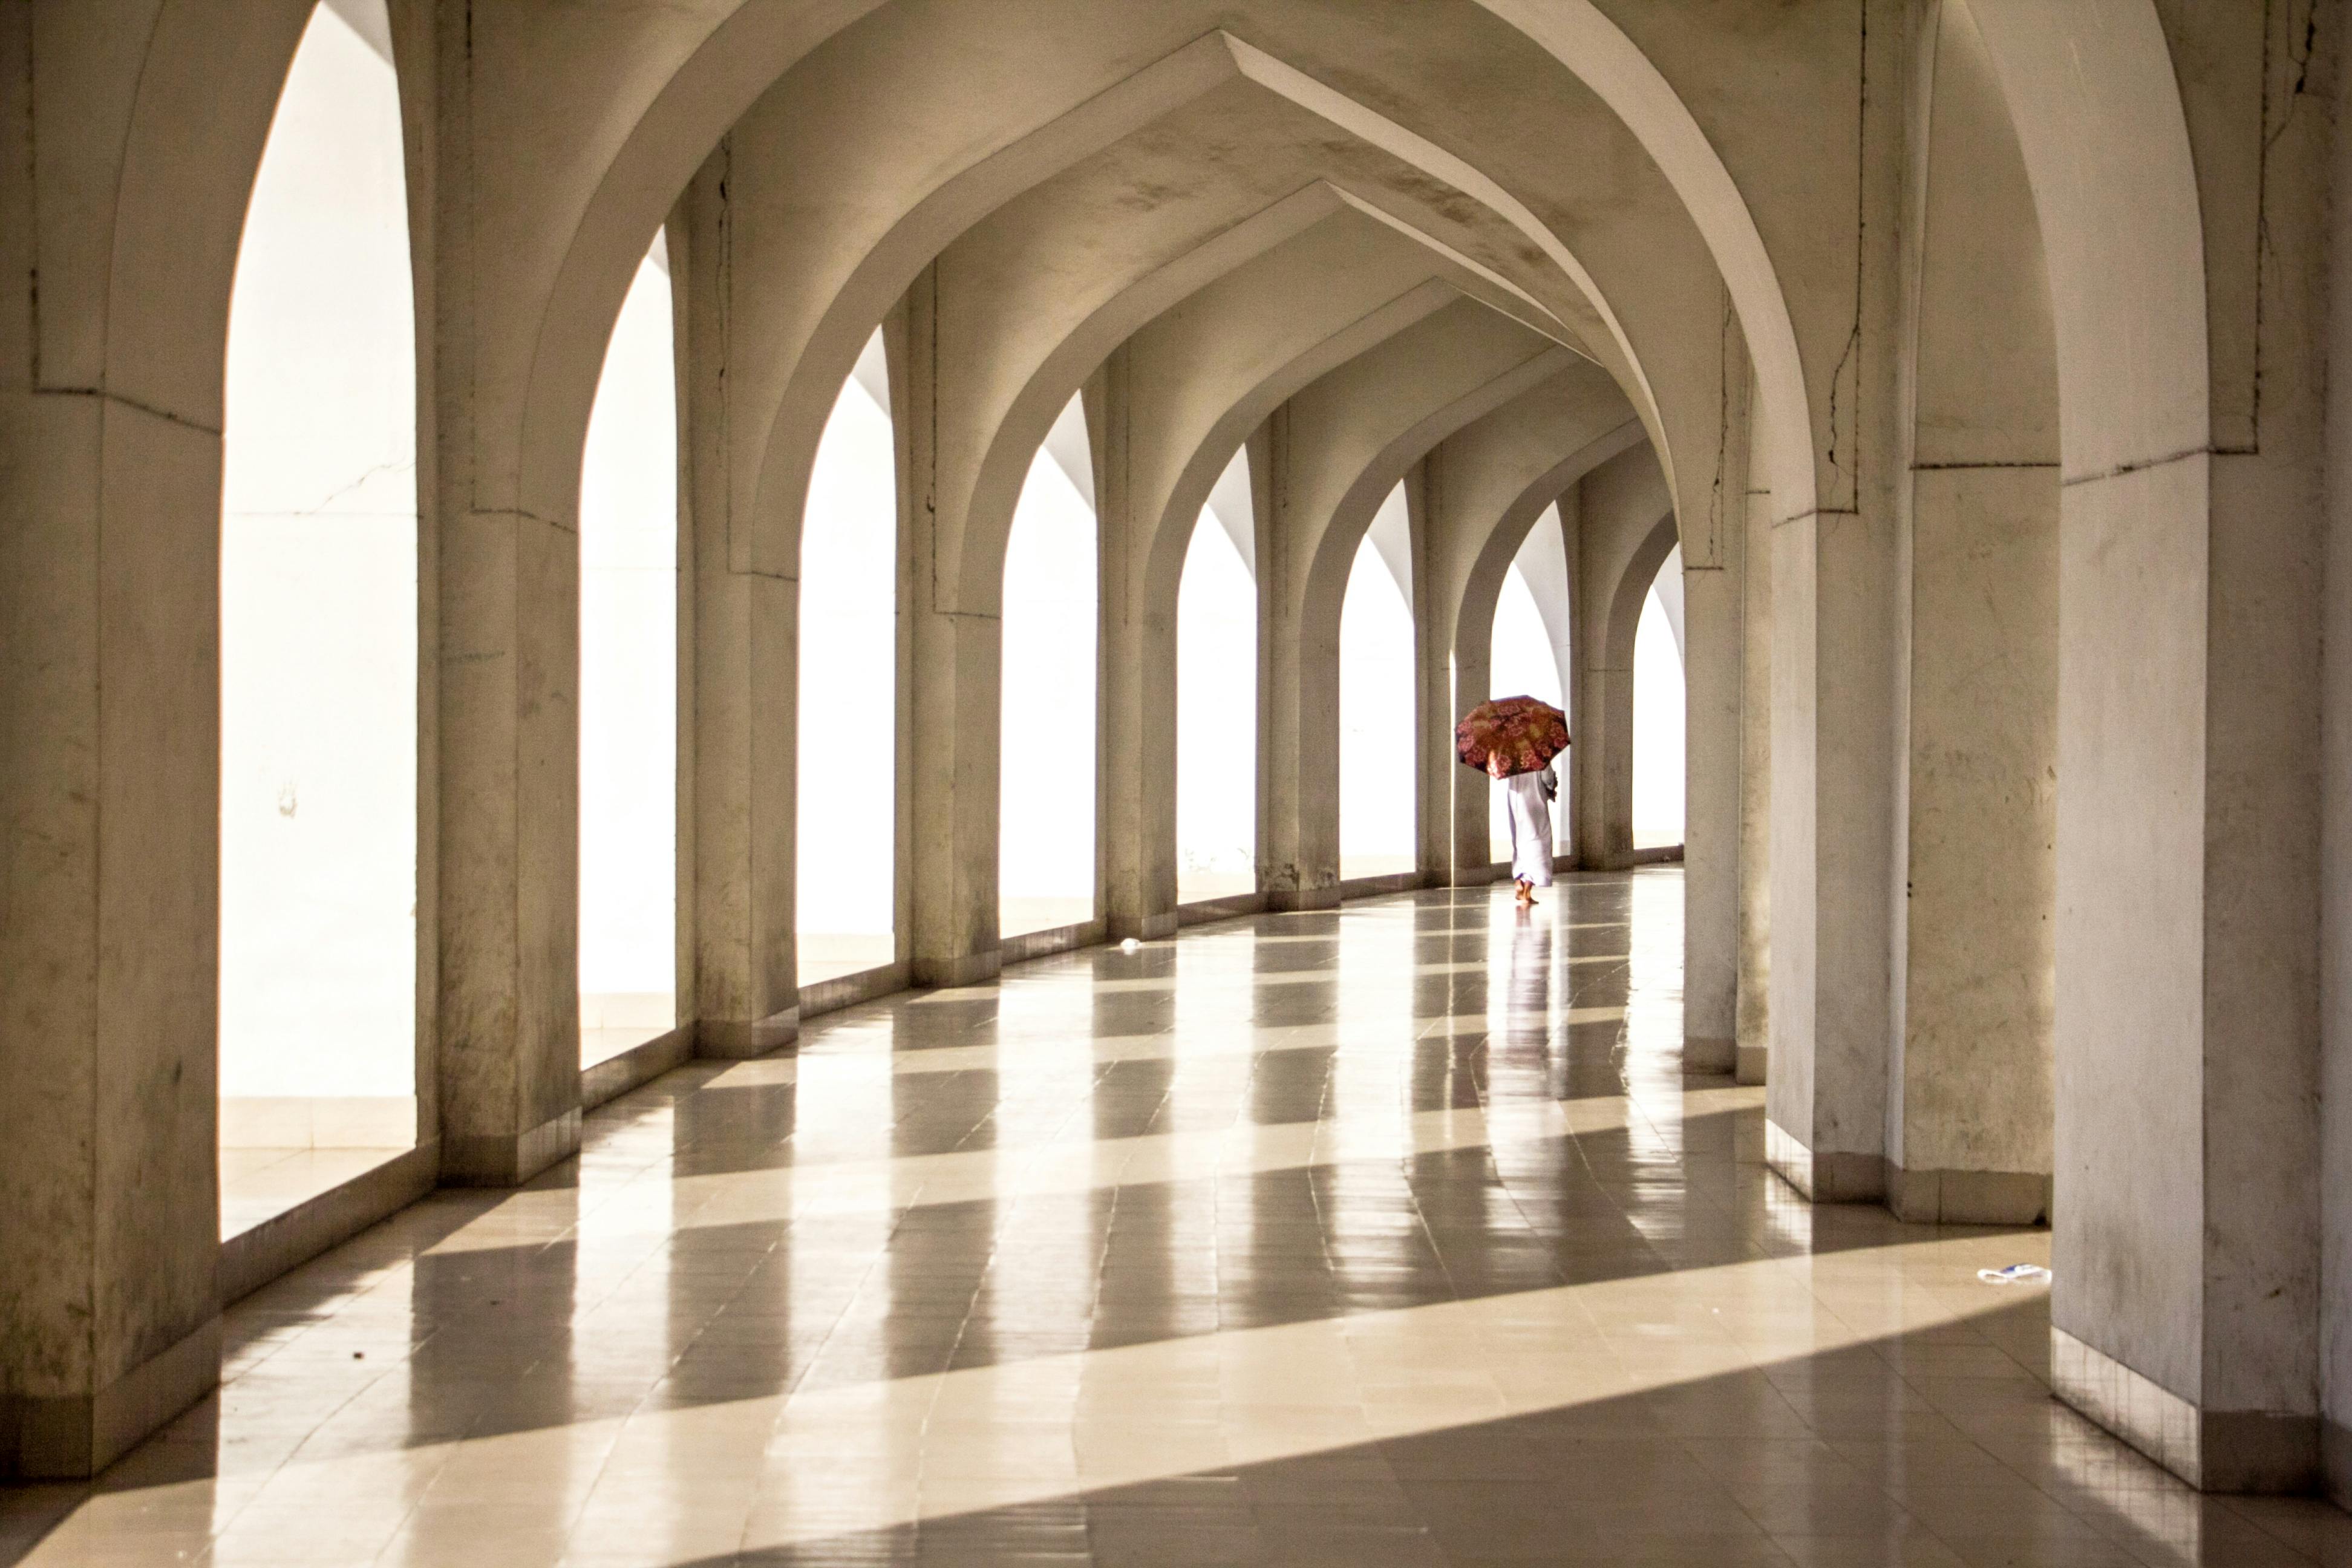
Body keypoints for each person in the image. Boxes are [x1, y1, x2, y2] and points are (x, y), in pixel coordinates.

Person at [1490, 751, 1557, 906]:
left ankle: (1519, 880)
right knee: (1539, 840)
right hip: (1534, 799)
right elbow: (1547, 777)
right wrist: (1552, 785)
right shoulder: (1539, 752)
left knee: (1519, 840)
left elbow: (1503, 772)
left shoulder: (1511, 753)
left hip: (1515, 798)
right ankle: (1527, 889)